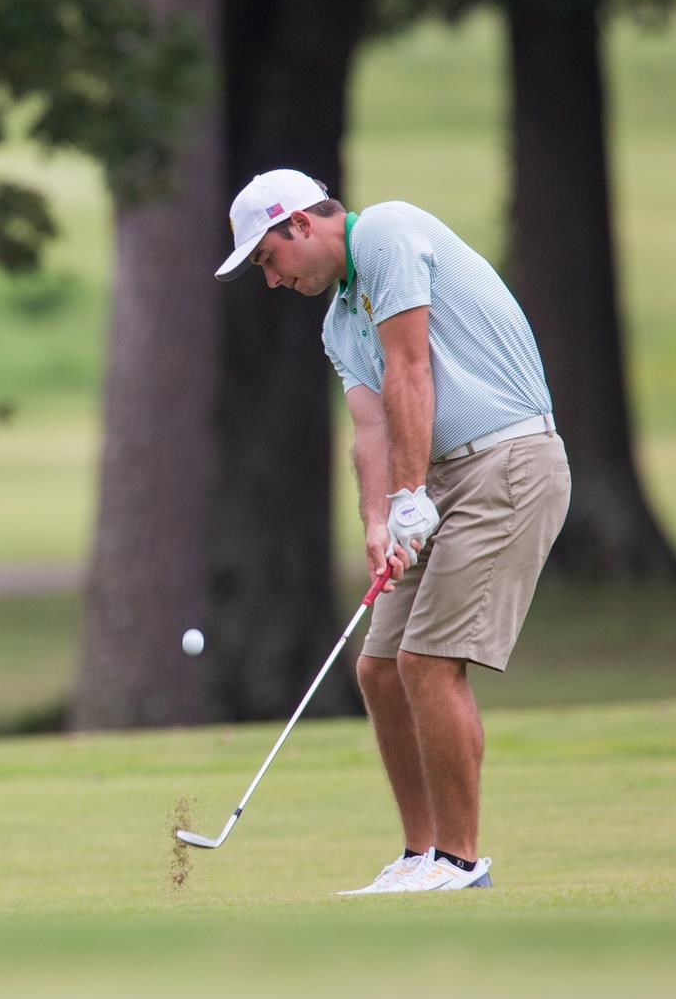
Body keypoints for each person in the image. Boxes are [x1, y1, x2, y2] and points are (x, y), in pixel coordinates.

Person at [215, 169, 571, 893]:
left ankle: (460, 861)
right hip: (436, 480)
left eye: (267, 259)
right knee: (378, 668)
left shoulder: (385, 233)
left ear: (300, 226)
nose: (272, 279)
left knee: (428, 662)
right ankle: (420, 854)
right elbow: (371, 428)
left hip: (507, 462)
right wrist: (380, 518)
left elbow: (412, 368)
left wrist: (411, 495)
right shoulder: (339, 321)